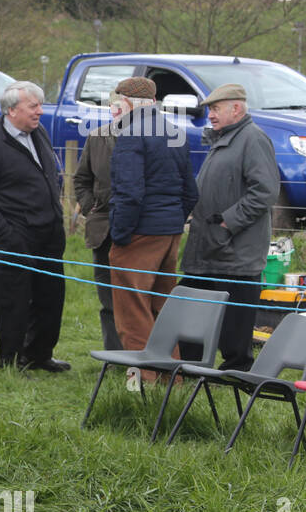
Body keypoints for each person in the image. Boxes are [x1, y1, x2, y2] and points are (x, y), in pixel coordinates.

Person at [0, 82, 70, 372]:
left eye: (40, 105)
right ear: (11, 110)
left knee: (51, 298)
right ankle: (8, 362)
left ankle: (38, 355)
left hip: (48, 234)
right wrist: (5, 232)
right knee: (14, 302)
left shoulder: (39, 132)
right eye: (33, 106)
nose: (40, 111)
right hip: (15, 237)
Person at [180, 83, 279, 371]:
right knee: (191, 301)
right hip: (209, 247)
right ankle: (190, 364)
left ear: (236, 108)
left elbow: (265, 191)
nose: (209, 115)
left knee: (236, 316)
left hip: (236, 250)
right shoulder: (223, 138)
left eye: (215, 108)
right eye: (209, 109)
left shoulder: (253, 139)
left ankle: (236, 370)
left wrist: (227, 222)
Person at [107, 77, 197, 379]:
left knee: (132, 313)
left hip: (139, 234)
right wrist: (172, 222)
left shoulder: (132, 135)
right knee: (161, 308)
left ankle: (143, 385)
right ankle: (174, 379)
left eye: (118, 102)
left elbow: (129, 194)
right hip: (170, 233)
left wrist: (120, 235)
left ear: (128, 103)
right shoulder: (175, 132)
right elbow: (190, 193)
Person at [73, 93, 121, 352]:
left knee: (138, 297)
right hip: (102, 229)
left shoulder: (150, 137)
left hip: (138, 232)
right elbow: (81, 179)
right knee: (108, 297)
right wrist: (91, 206)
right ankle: (114, 354)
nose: (116, 111)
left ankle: (143, 355)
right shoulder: (97, 137)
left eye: (121, 105)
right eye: (113, 106)